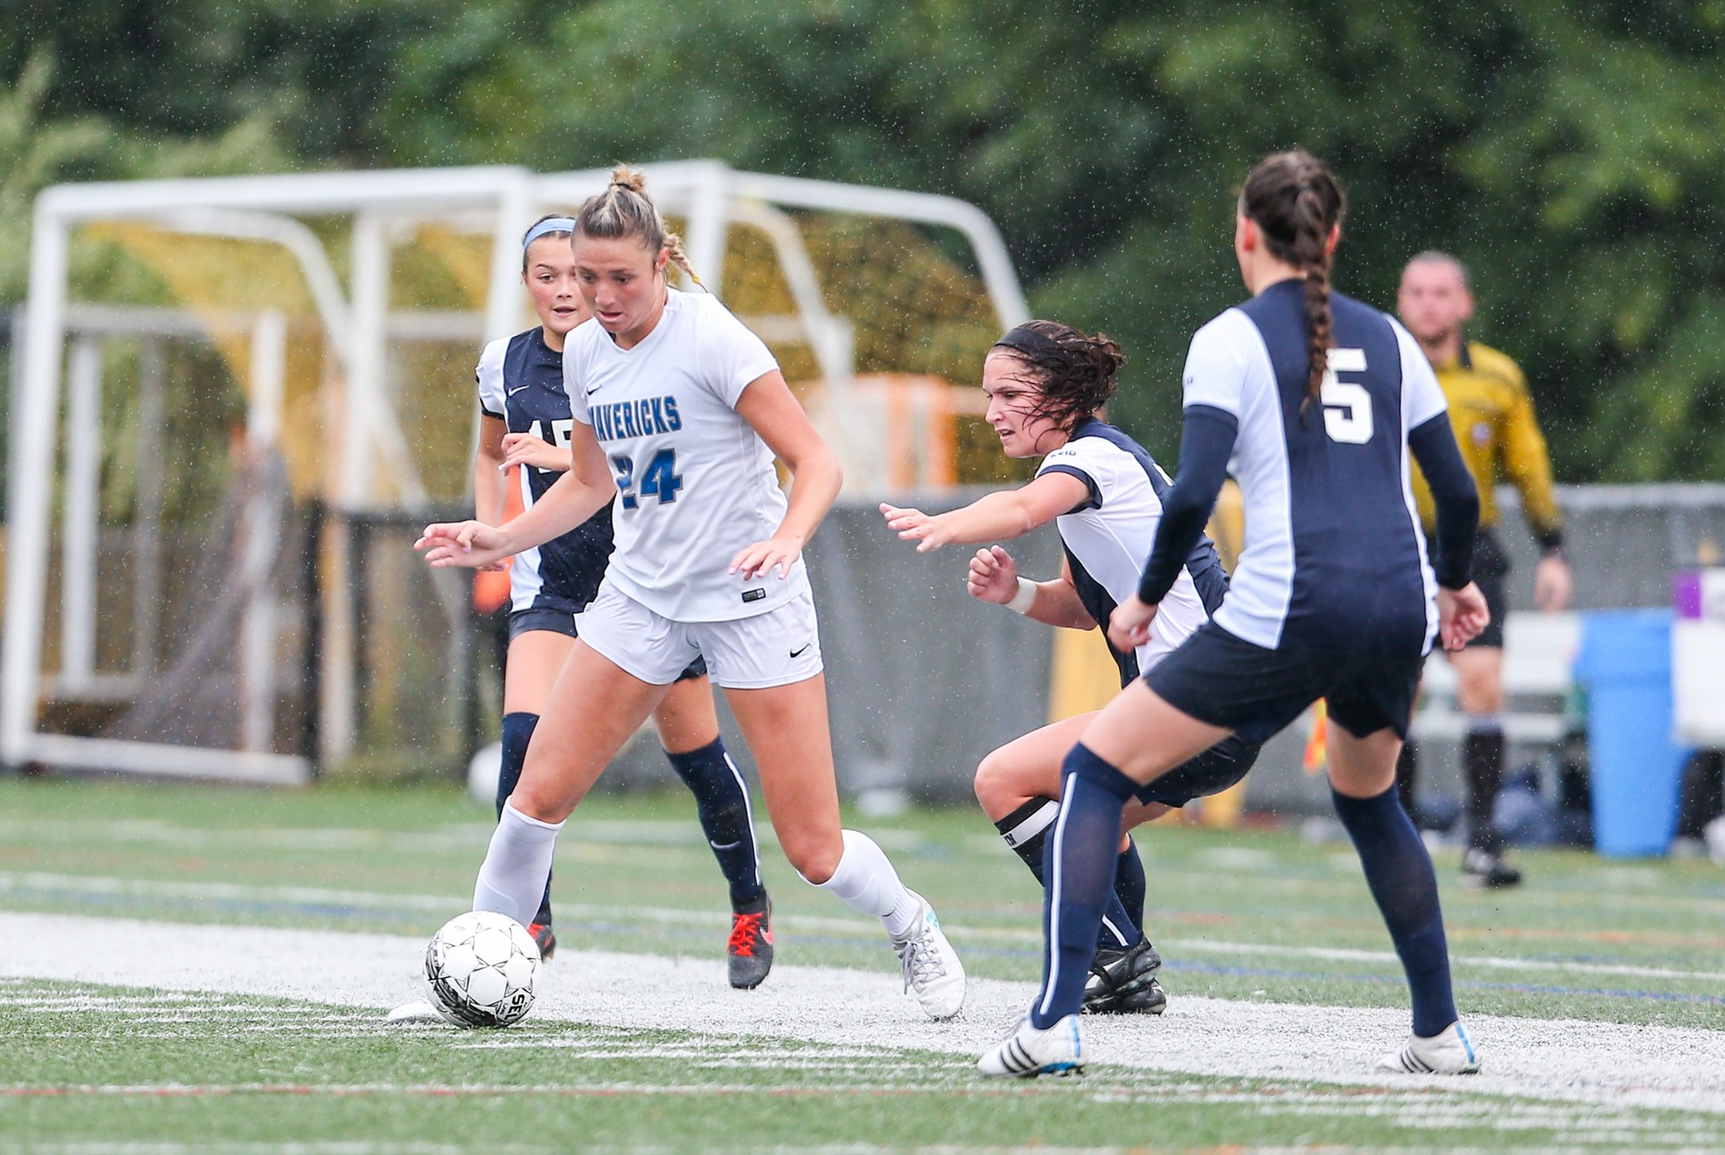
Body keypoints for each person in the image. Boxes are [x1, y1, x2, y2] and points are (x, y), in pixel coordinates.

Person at [978, 151, 1489, 1079]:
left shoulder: (1230, 339)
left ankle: (1053, 1022)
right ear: (1331, 238)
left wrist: (1138, 601)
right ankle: (1437, 1033)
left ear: (1244, 234)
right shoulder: (1390, 339)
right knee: (1371, 803)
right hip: (1394, 602)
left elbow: (1194, 497)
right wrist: (1453, 585)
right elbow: (1453, 492)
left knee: (1091, 775)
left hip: (1290, 604)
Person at [416, 167, 967, 1020]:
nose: (599, 296)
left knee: (814, 850)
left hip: (750, 603)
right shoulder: (590, 354)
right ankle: (472, 975)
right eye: (586, 277)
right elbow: (591, 482)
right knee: (532, 800)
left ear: (662, 263)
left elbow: (817, 462)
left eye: (619, 278)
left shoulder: (715, 340)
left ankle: (911, 923)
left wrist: (785, 540)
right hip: (640, 601)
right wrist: (501, 538)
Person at [879, 319, 1259, 1018]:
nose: (992, 411)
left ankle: (1114, 951)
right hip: (1215, 711)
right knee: (1093, 813)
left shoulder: (1093, 462)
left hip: (1192, 704)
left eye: (1009, 393)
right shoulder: (1092, 469)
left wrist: (947, 523)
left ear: (1061, 394)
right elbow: (1081, 610)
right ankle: (1128, 976)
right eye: (988, 394)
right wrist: (1015, 595)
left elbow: (1020, 509)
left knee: (1000, 778)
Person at [471, 214, 773, 988]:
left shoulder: (642, 348)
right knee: (521, 740)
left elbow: (601, 464)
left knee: (696, 757)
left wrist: (561, 456)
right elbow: (487, 451)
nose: (567, 289)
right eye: (547, 275)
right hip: (556, 583)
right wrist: (494, 535)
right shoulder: (505, 363)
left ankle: (748, 902)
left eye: (578, 273)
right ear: (528, 282)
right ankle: (524, 920)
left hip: (649, 584)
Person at [1396, 252, 1572, 889]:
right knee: (1397, 696)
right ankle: (1403, 835)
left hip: (1471, 548)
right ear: (1401, 300)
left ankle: (1482, 841)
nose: (1429, 304)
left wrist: (1554, 549)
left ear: (1464, 303)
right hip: (1395, 546)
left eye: (1442, 292)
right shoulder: (1374, 371)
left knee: (1483, 687)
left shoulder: (1498, 377)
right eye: (1417, 292)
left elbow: (1529, 464)